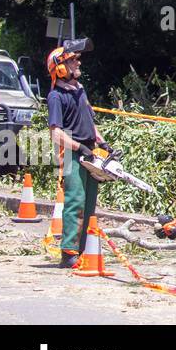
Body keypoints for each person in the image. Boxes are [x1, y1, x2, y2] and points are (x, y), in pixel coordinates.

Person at [45, 39, 113, 269]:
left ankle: (84, 249)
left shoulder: (79, 90)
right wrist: (79, 147)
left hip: (90, 151)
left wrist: (101, 141)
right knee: (76, 201)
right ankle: (69, 253)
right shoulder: (56, 96)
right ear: (61, 68)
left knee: (90, 203)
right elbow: (56, 134)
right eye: (72, 60)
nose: (78, 62)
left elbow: (89, 122)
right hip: (73, 155)